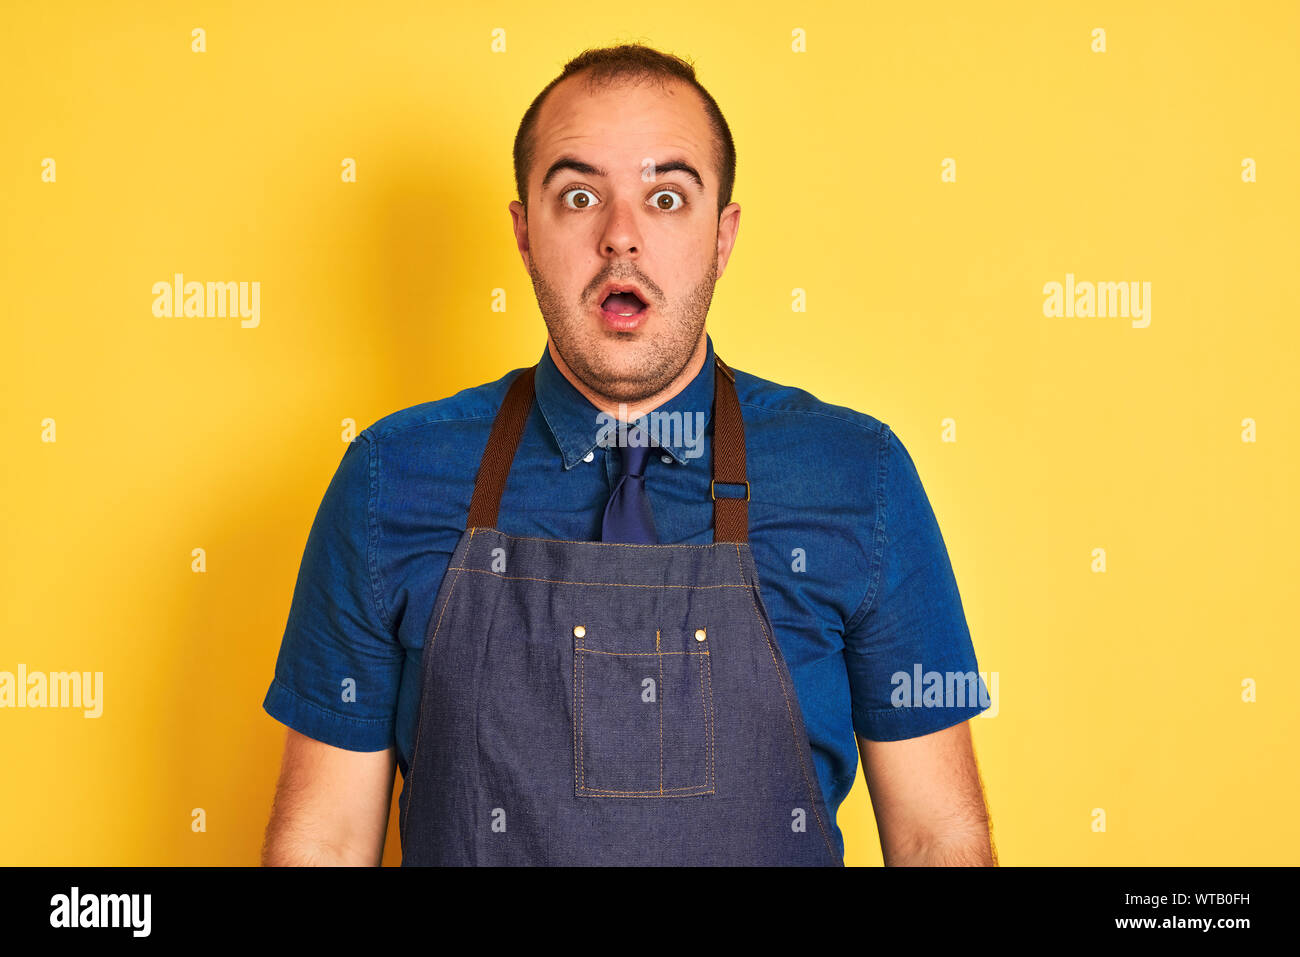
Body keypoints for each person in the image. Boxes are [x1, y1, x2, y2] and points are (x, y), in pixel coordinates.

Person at [261, 42, 995, 866]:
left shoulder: (859, 474)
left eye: (666, 198)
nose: (622, 238)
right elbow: (323, 841)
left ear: (723, 236)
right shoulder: (388, 476)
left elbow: (940, 839)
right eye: (579, 196)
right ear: (524, 232)